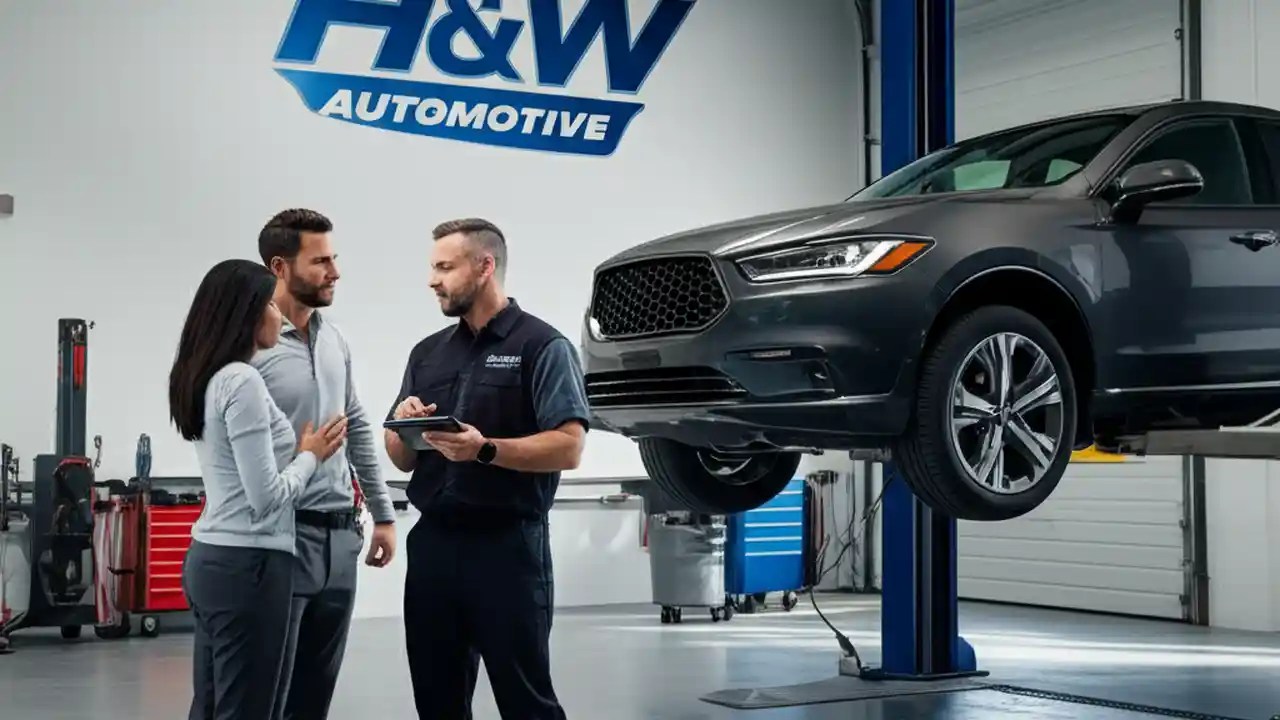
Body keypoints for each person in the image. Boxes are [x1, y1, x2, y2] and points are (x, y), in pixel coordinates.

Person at [384, 218, 590, 720]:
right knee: (437, 699)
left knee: (526, 702)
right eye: (433, 267)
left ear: (484, 266)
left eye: (444, 267)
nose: (433, 280)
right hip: (433, 545)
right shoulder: (428, 353)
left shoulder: (543, 346)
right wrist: (404, 427)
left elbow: (569, 447)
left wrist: (485, 449)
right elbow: (401, 455)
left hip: (508, 549)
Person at [169, 258, 348, 720]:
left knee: (211, 706)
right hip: (251, 566)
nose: (281, 315)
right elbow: (265, 499)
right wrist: (311, 455)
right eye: (271, 303)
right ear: (245, 313)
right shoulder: (243, 380)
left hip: (211, 558)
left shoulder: (210, 376)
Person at [251, 208, 399, 720]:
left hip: (340, 538)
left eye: (334, 258)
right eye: (320, 261)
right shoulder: (250, 348)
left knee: (314, 698)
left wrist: (382, 515)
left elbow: (356, 424)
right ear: (279, 266)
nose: (334, 272)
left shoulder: (335, 339)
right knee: (265, 695)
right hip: (279, 539)